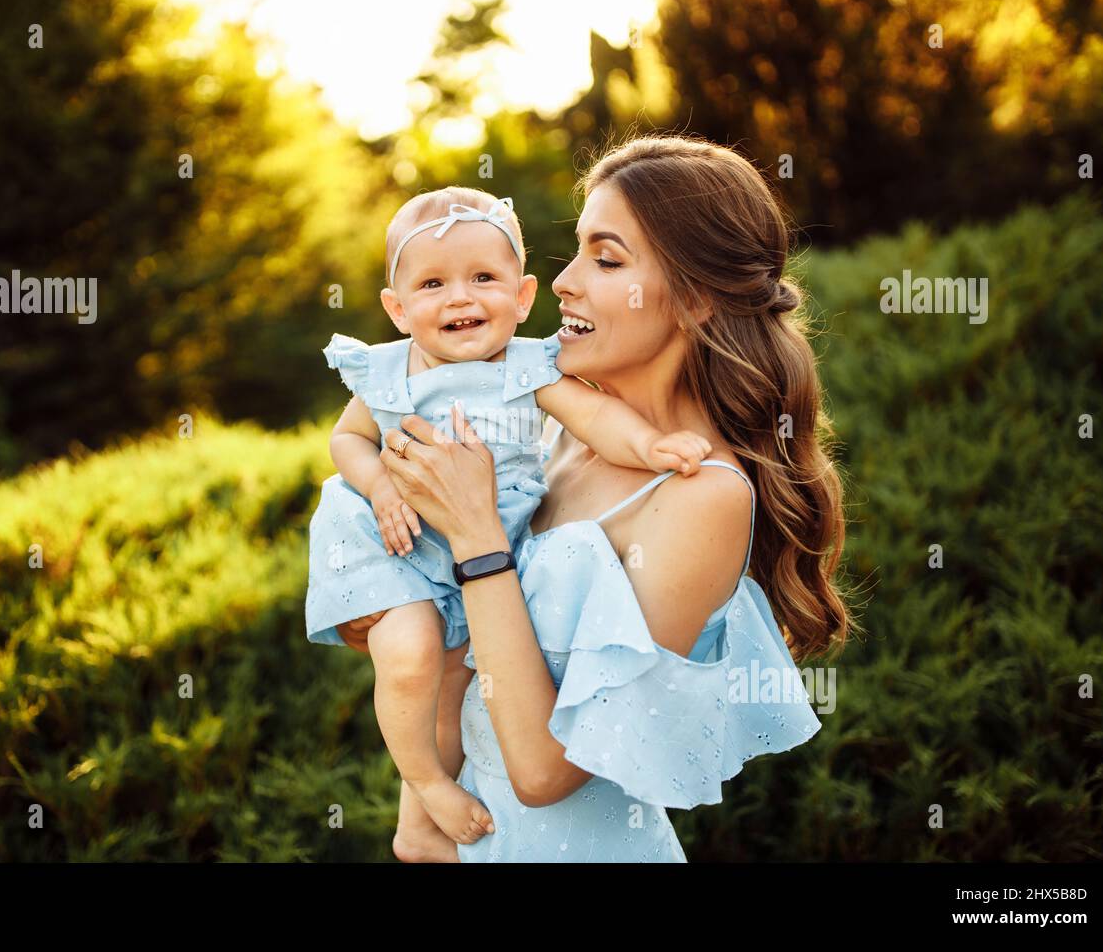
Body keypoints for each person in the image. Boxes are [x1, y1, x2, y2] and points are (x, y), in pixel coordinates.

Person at [355, 135, 854, 862]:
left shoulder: (700, 497)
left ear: (695, 299)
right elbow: (458, 637)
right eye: (576, 249)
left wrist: (474, 536)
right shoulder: (554, 439)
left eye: (606, 257)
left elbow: (544, 771)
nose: (562, 281)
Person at [304, 185, 712, 852]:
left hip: (476, 553)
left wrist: (649, 446)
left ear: (523, 298)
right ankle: (427, 789)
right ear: (398, 309)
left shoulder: (529, 368)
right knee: (410, 658)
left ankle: (416, 830)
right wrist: (380, 488)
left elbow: (597, 418)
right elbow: (346, 441)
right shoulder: (385, 371)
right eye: (433, 283)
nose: (461, 297)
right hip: (395, 538)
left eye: (483, 278)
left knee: (460, 685)